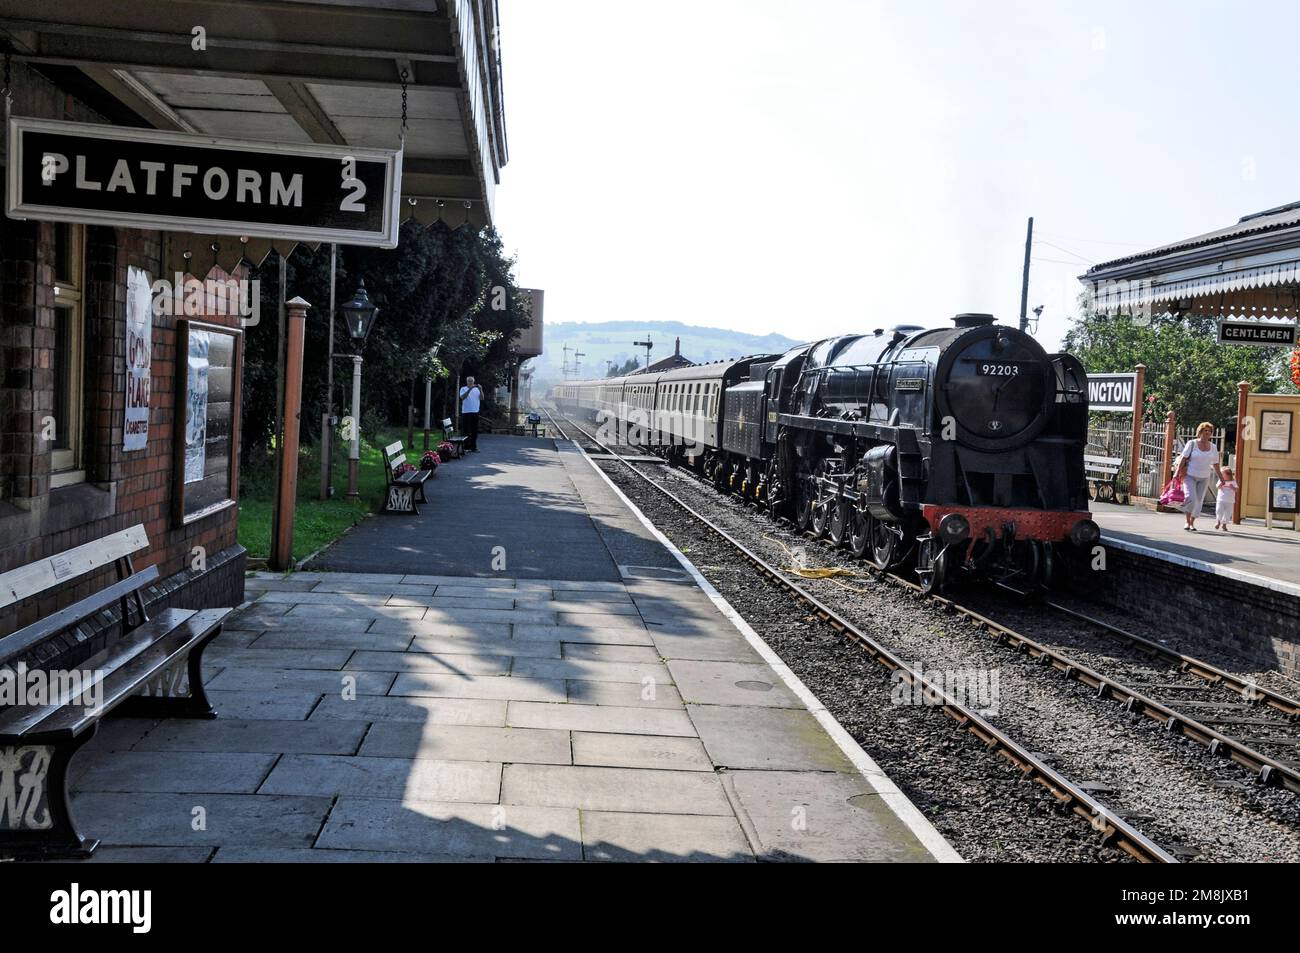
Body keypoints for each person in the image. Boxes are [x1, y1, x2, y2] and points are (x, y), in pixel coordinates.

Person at [1175, 421, 1222, 531]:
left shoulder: (1213, 447)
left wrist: (1221, 477)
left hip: (1204, 477)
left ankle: (1192, 522)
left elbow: (1216, 464)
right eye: (1205, 430)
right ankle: (1187, 522)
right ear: (1199, 432)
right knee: (1191, 498)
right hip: (1190, 475)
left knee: (1199, 501)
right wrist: (1177, 473)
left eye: (1209, 431)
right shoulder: (1192, 444)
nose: (1207, 433)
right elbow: (1183, 458)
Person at [459, 376, 482, 452]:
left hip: (475, 412)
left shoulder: (477, 389)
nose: (471, 382)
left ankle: (473, 447)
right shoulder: (463, 388)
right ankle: (465, 447)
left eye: (472, 381)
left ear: (474, 382)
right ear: (467, 382)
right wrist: (470, 389)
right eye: (469, 381)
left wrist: (481, 390)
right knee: (466, 430)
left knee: (474, 431)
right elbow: (462, 397)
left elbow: (482, 398)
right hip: (466, 412)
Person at [1215, 466, 1239, 532]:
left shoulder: (1233, 482)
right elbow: (1217, 487)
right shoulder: (1220, 480)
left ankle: (1224, 524)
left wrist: (1232, 487)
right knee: (1219, 510)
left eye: (1222, 474)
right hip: (1221, 499)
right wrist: (1220, 485)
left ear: (1228, 475)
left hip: (1230, 501)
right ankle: (1218, 521)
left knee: (1228, 513)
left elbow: (1236, 490)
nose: (1221, 476)